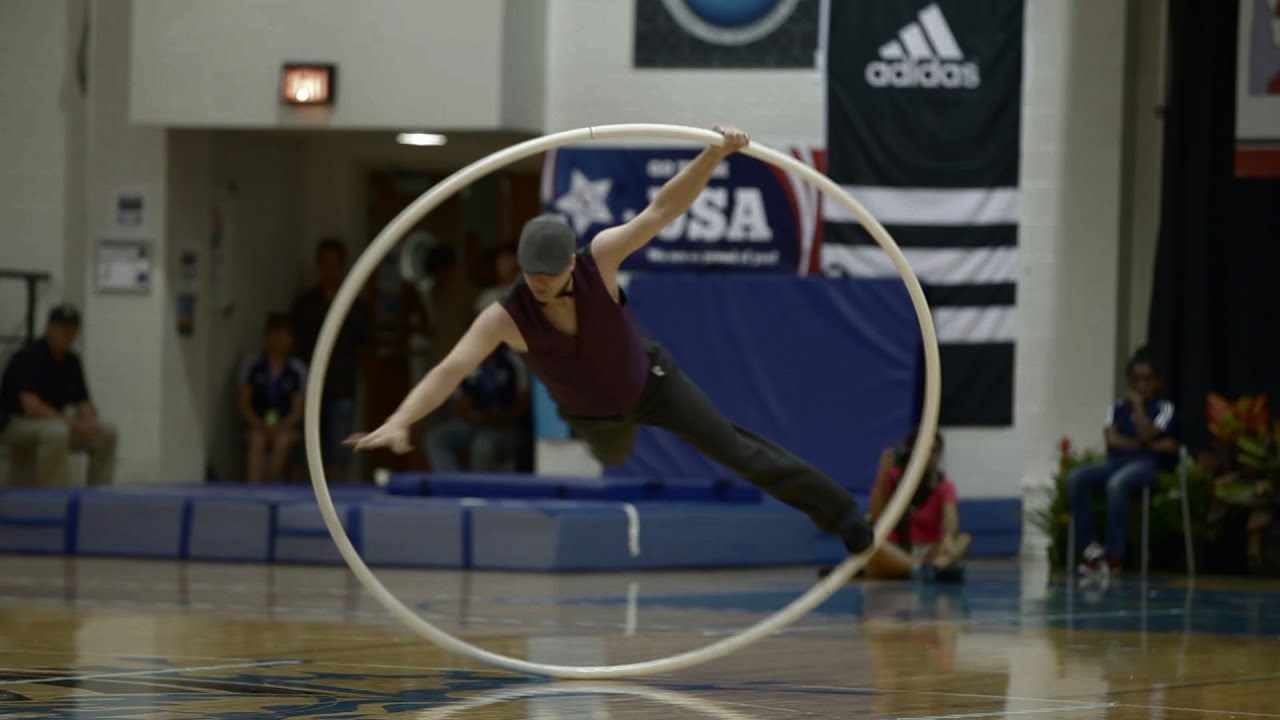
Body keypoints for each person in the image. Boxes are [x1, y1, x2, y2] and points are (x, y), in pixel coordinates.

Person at [347, 125, 873, 556]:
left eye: (549, 275)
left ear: (570, 261)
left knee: (737, 450)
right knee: (615, 455)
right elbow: (449, 369)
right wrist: (401, 419)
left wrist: (713, 155)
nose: (539, 285)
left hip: (654, 384)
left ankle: (845, 516)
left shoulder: (599, 259)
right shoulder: (505, 316)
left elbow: (662, 210)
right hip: (594, 417)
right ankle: (614, 432)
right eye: (531, 276)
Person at [1068, 348, 1177, 582]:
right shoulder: (1116, 407)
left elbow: (1146, 434)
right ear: (1129, 382)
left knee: (1117, 484)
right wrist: (1147, 444)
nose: (1141, 386)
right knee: (1076, 477)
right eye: (1136, 380)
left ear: (1157, 383)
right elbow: (1111, 440)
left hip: (1147, 467)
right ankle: (1091, 551)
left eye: (1147, 380)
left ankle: (1114, 557)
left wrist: (1138, 409)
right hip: (1115, 462)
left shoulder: (1164, 408)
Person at [0, 304, 116, 486]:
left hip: (53, 422)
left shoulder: (72, 361)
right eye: (63, 329)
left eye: (72, 329)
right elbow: (31, 408)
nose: (68, 334)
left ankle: (98, 494)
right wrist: (75, 424)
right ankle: (54, 495)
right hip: (14, 423)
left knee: (107, 432)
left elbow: (83, 401)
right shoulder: (28, 357)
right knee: (56, 432)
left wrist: (91, 422)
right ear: (49, 328)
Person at [291, 238, 370, 482]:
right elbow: (295, 342)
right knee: (303, 449)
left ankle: (334, 498)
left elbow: (365, 344)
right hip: (309, 386)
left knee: (338, 451)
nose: (330, 269)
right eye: (325, 263)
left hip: (341, 384)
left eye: (334, 263)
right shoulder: (306, 303)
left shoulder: (354, 305)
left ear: (342, 266)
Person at [865, 429, 970, 582]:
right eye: (923, 449)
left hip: (928, 550)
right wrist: (882, 475)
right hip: (894, 550)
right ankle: (930, 568)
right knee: (872, 544)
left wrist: (948, 536)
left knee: (964, 539)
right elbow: (875, 516)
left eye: (933, 451)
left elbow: (950, 517)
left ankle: (932, 567)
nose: (928, 456)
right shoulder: (892, 479)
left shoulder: (943, 485)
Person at [237, 313, 307, 483]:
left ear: (291, 339)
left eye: (283, 334)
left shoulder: (297, 369)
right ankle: (254, 489)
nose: (278, 338)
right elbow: (243, 404)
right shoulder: (252, 364)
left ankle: (270, 485)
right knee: (257, 440)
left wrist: (280, 427)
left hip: (286, 427)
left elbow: (298, 411)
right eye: (274, 333)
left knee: (282, 441)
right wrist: (260, 425)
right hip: (257, 424)